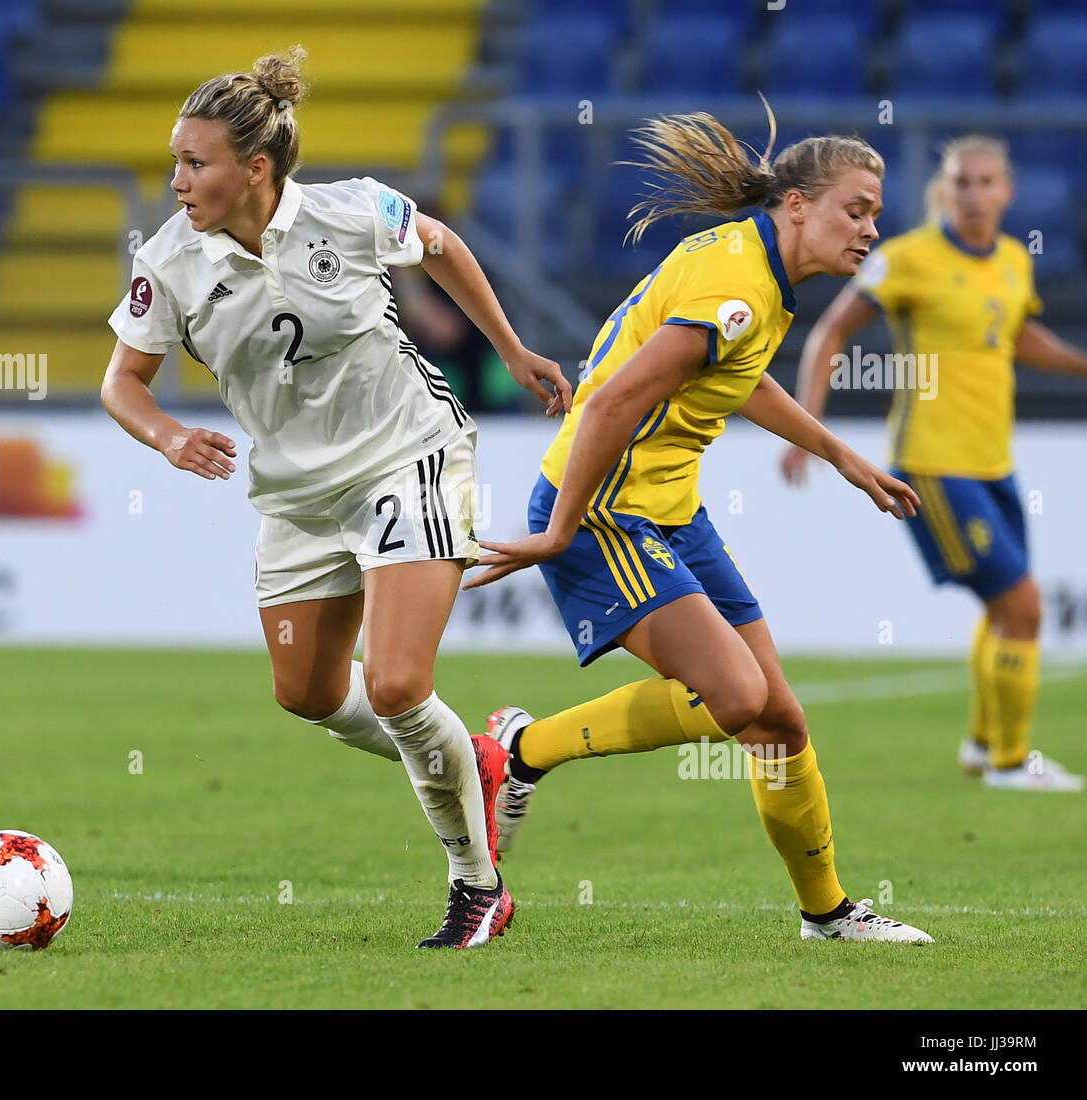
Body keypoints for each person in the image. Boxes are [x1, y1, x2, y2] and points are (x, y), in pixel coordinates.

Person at [100, 46, 573, 949]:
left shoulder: (349, 211)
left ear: (256, 169)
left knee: (397, 685)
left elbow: (443, 245)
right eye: (174, 160)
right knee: (307, 693)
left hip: (410, 455)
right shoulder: (168, 260)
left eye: (195, 163)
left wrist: (510, 351)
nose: (177, 181)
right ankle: (476, 756)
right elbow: (123, 381)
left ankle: (478, 886)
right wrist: (167, 436)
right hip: (295, 495)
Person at [464, 108, 935, 942]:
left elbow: (738, 379)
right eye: (855, 209)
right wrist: (557, 529)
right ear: (796, 204)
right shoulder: (739, 288)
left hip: (670, 509)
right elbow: (608, 402)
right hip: (607, 512)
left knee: (780, 721)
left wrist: (842, 458)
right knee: (739, 696)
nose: (871, 227)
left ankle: (826, 915)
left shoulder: (755, 273)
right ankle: (521, 752)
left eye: (875, 212)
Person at [781, 135, 1086, 793]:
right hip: (932, 465)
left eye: (985, 182)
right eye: (960, 182)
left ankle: (983, 747)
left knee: (1008, 610)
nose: (973, 193)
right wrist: (808, 429)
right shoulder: (908, 259)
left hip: (993, 462)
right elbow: (833, 330)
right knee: (1024, 607)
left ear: (1006, 191)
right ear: (942, 191)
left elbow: (1015, 335)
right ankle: (1010, 763)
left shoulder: (1010, 261)